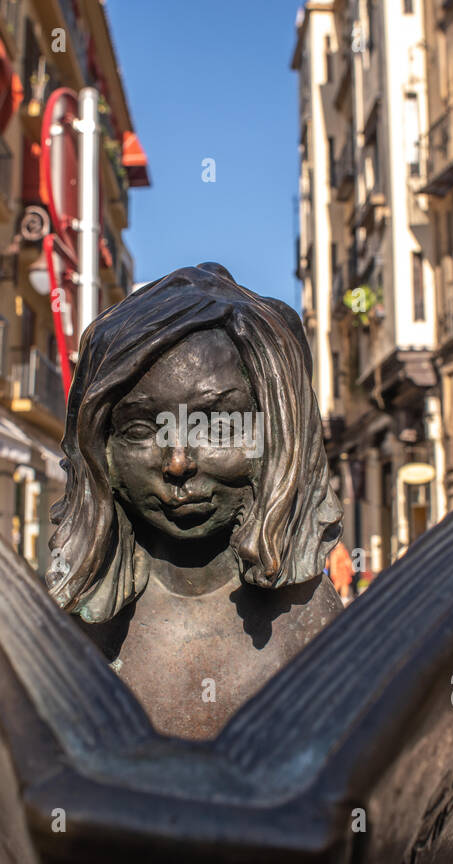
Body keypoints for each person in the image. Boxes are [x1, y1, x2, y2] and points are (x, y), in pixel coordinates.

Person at [47, 262, 344, 739]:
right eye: (142, 430)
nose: (178, 463)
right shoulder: (79, 627)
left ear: (277, 438)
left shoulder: (307, 623)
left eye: (215, 426)